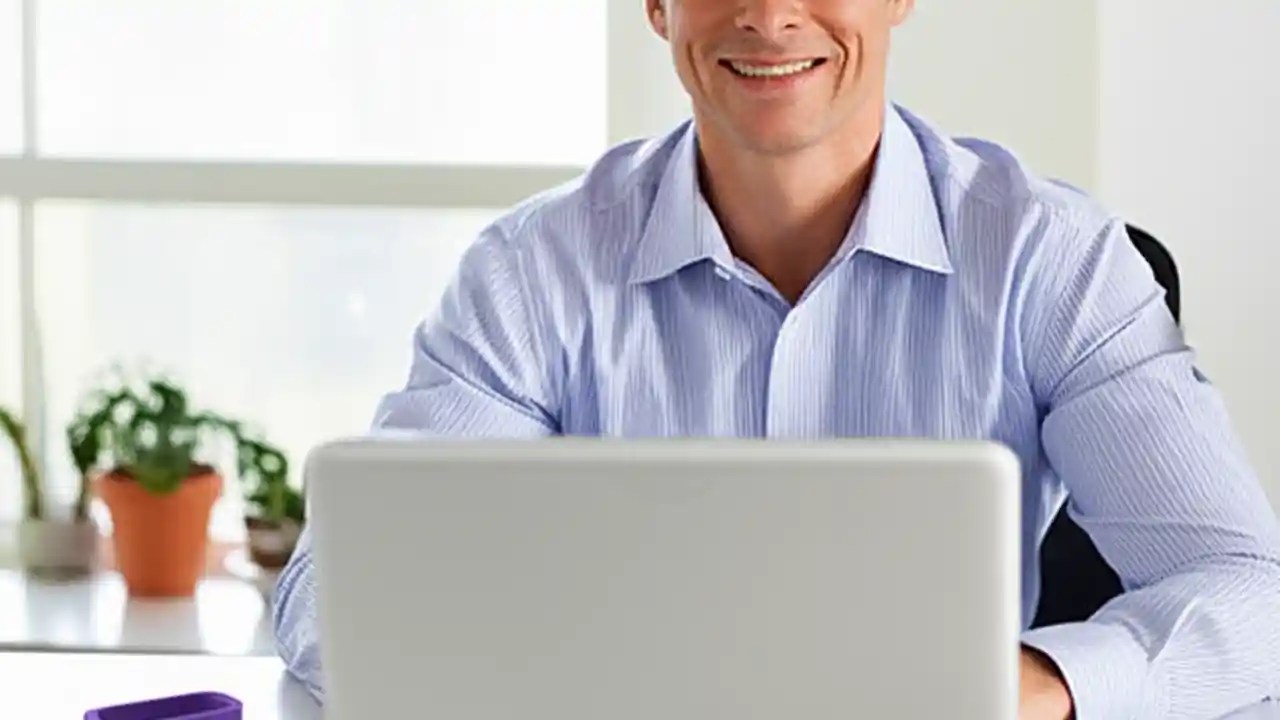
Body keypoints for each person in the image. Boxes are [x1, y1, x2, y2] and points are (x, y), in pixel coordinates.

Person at [274, 1, 1280, 717]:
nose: (767, 13)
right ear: (657, 7)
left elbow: (1246, 590)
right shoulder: (529, 271)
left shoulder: (1050, 261)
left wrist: (1042, 688)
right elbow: (340, 593)